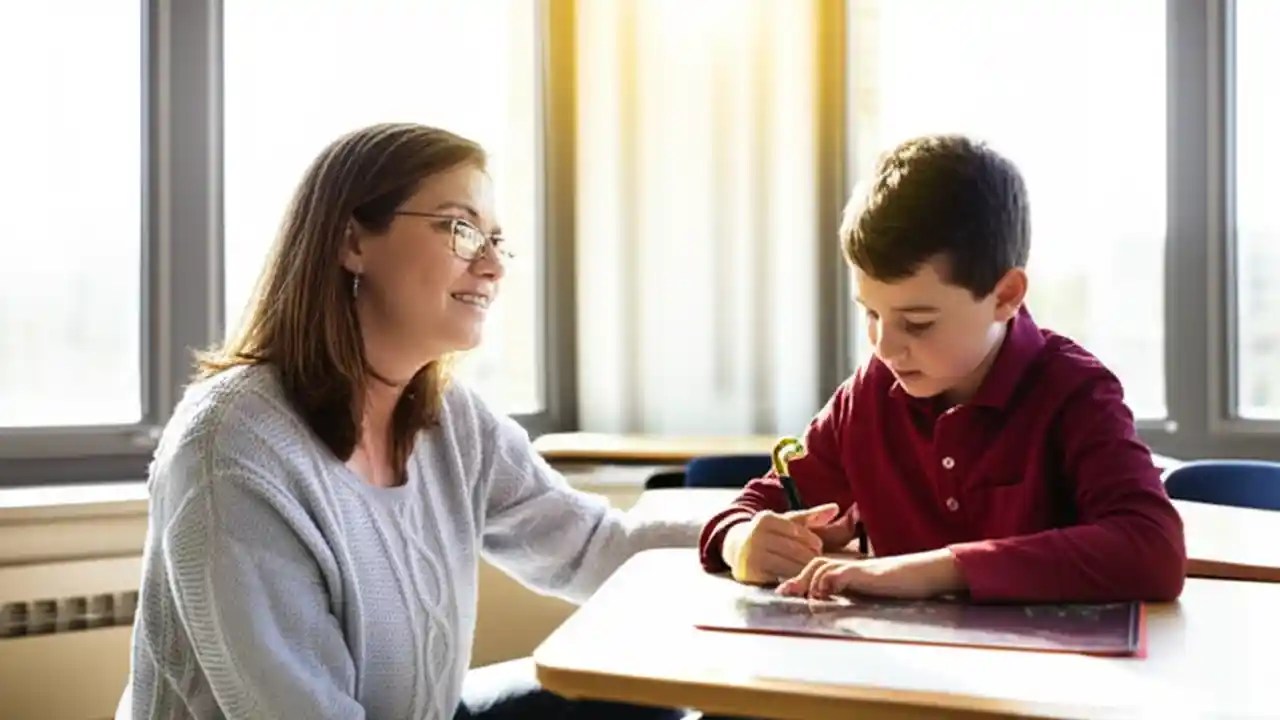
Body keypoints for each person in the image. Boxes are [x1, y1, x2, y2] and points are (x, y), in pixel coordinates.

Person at [118, 122, 684, 720]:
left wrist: (740, 539)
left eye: (496, 239)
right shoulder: (232, 445)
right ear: (351, 241)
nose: (493, 266)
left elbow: (593, 547)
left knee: (652, 697)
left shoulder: (451, 418)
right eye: (460, 230)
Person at [699, 134, 1186, 603]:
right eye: (871, 314)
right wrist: (741, 542)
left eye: (917, 323)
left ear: (1005, 296)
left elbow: (1153, 550)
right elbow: (747, 509)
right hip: (895, 680)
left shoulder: (1075, 392)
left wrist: (929, 570)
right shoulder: (870, 394)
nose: (885, 347)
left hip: (1044, 680)